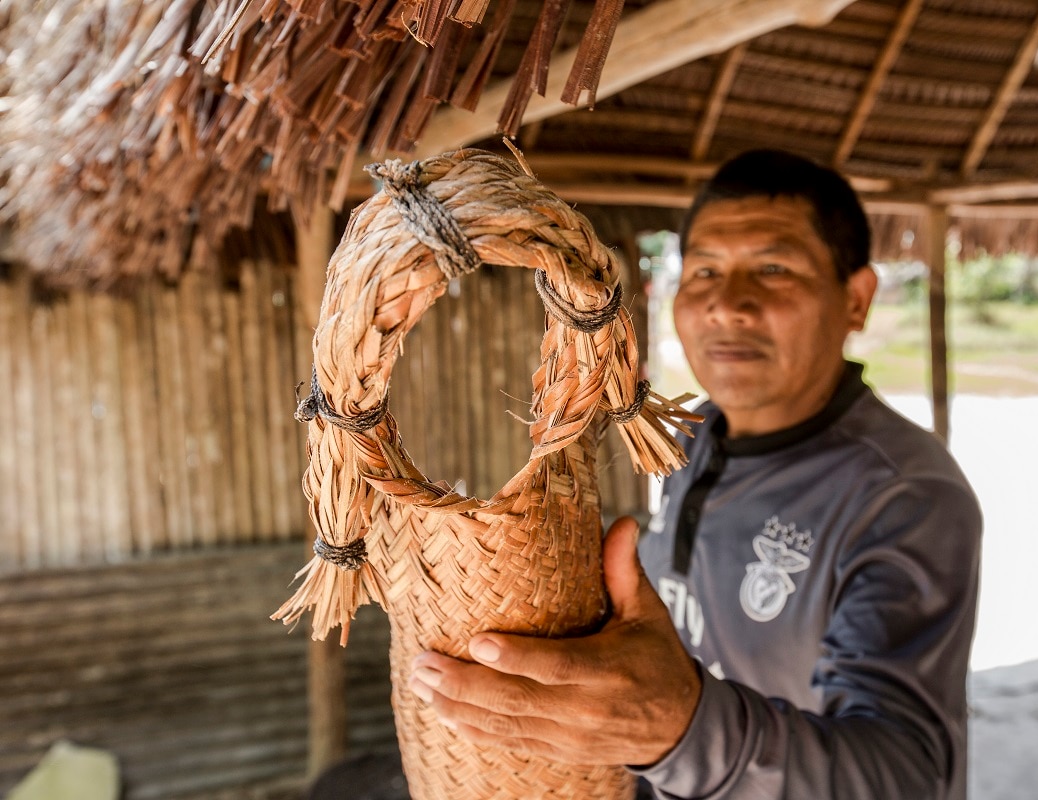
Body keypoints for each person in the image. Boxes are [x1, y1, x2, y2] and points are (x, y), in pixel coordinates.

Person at [407, 150, 982, 799]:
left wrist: (678, 728)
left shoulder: (903, 497)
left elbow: (908, 779)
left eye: (774, 267)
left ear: (855, 299)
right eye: (705, 269)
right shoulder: (693, 434)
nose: (727, 305)